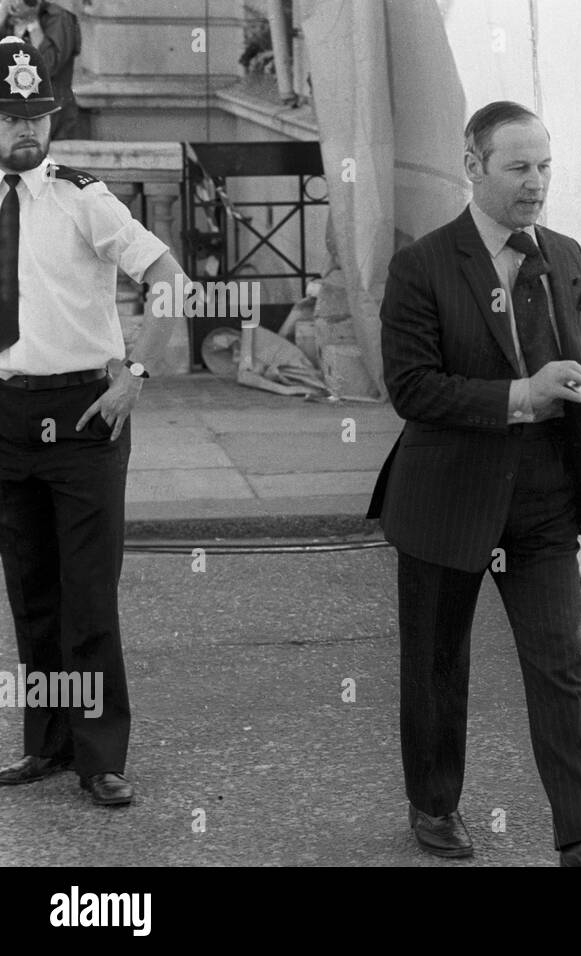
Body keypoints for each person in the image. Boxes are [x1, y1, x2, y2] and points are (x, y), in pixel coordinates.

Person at [367, 101, 581, 867]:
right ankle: (434, 805)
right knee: (437, 664)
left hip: (543, 494)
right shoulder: (422, 265)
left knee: (560, 662)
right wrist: (521, 395)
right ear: (474, 166)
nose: (536, 184)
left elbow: (572, 346)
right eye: (518, 167)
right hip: (447, 496)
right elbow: (413, 389)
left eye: (545, 167)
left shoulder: (562, 254)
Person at [0, 35, 193, 806]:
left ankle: (99, 756)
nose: (26, 129)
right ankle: (45, 746)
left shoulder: (83, 197)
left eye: (36, 115)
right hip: (7, 414)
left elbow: (169, 278)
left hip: (84, 411)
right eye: (10, 114)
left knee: (87, 595)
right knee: (31, 590)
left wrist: (137, 373)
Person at [1, 0, 79, 140]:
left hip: (51, 112)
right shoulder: (12, 17)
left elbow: (47, 67)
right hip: (16, 110)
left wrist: (31, 24)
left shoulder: (58, 18)